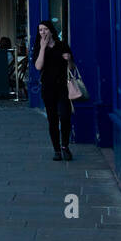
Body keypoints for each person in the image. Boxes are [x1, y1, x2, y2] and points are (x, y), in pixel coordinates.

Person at [33, 20, 74, 161]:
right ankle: (57, 150)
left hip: (63, 87)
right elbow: (38, 67)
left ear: (51, 30)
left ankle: (65, 146)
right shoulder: (39, 47)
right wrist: (43, 48)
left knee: (65, 116)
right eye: (40, 30)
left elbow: (71, 69)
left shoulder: (62, 45)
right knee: (52, 119)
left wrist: (68, 60)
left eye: (45, 29)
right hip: (48, 88)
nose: (42, 32)